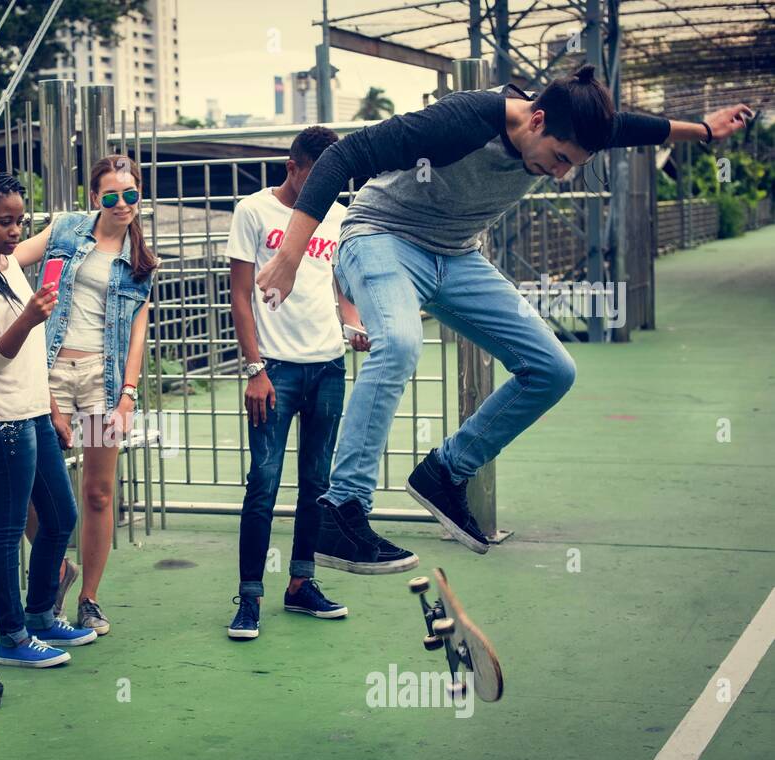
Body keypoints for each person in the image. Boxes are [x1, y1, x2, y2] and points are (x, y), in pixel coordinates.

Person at [255, 66, 754, 572]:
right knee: (402, 343)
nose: (560, 172)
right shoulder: (464, 120)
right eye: (559, 158)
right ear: (535, 121)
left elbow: (633, 127)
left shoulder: (571, 120)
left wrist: (706, 130)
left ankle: (446, 472)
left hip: (456, 256)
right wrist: (292, 257)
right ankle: (340, 510)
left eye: (571, 166)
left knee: (553, 370)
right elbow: (344, 156)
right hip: (382, 237)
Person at [0, 155, 157, 636]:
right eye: (111, 196)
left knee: (98, 493)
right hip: (50, 372)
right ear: (95, 197)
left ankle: (89, 598)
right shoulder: (65, 230)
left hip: (103, 379)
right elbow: (7, 256)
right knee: (36, 487)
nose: (122, 205)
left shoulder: (141, 261)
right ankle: (56, 565)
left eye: (131, 195)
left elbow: (137, 332)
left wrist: (127, 395)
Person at [0, 171, 97, 668]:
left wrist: (51, 406)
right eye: (4, 221)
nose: (14, 231)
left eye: (19, 221)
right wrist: (29, 317)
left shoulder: (5, 261)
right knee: (7, 530)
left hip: (31, 409)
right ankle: (11, 636)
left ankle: (38, 616)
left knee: (61, 516)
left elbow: (29, 354)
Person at [225, 127, 370, 642]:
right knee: (262, 485)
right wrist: (254, 369)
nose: (326, 189)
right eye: (318, 177)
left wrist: (353, 326)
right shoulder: (252, 211)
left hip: (327, 366)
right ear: (293, 166)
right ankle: (248, 599)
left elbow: (338, 285)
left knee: (317, 484)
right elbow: (240, 296)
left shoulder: (335, 213)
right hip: (276, 371)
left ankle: (301, 584)